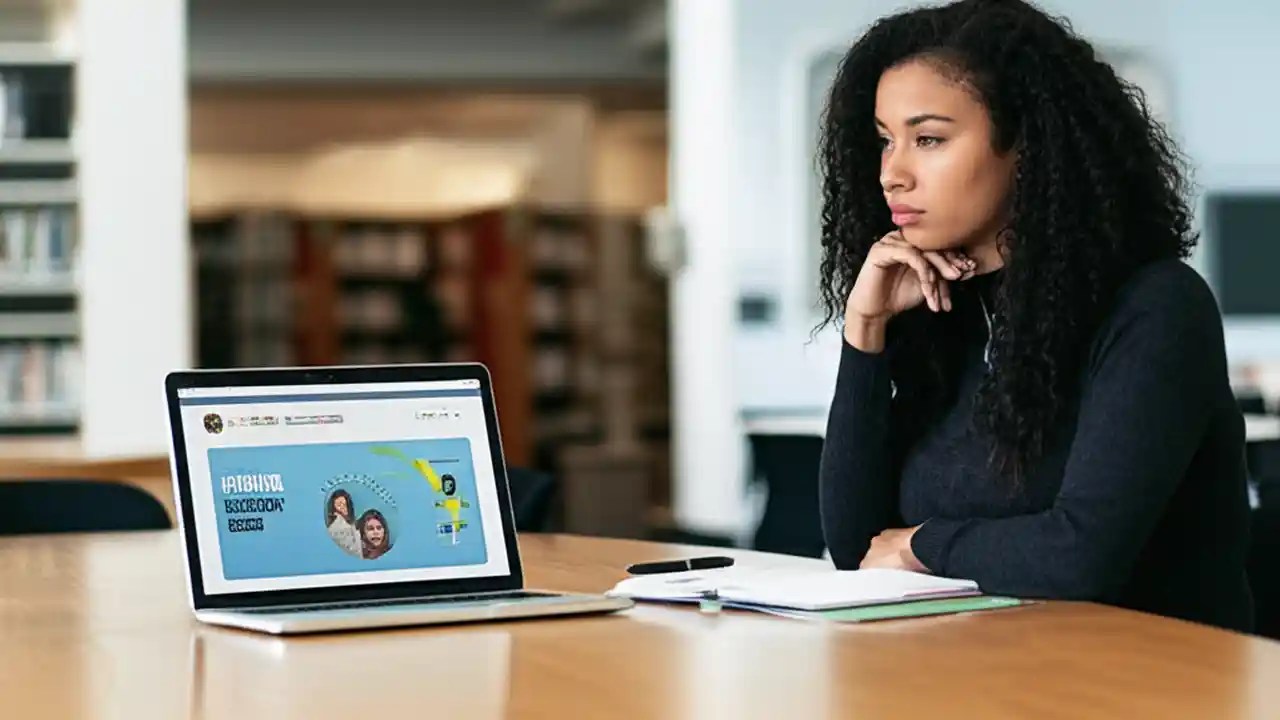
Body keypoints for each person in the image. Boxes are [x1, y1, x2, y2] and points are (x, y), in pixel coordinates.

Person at [816, 0, 1253, 631]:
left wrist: (921, 544)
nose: (893, 174)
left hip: (1146, 684)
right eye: (886, 141)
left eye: (929, 139)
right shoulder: (945, 313)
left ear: (1026, 144)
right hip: (987, 674)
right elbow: (856, 546)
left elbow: (1082, 557)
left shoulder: (1157, 307)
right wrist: (865, 334)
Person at [325, 489, 363, 558]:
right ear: (334, 509)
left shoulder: (351, 524)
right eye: (339, 505)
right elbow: (354, 551)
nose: (343, 508)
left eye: (345, 504)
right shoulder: (338, 528)